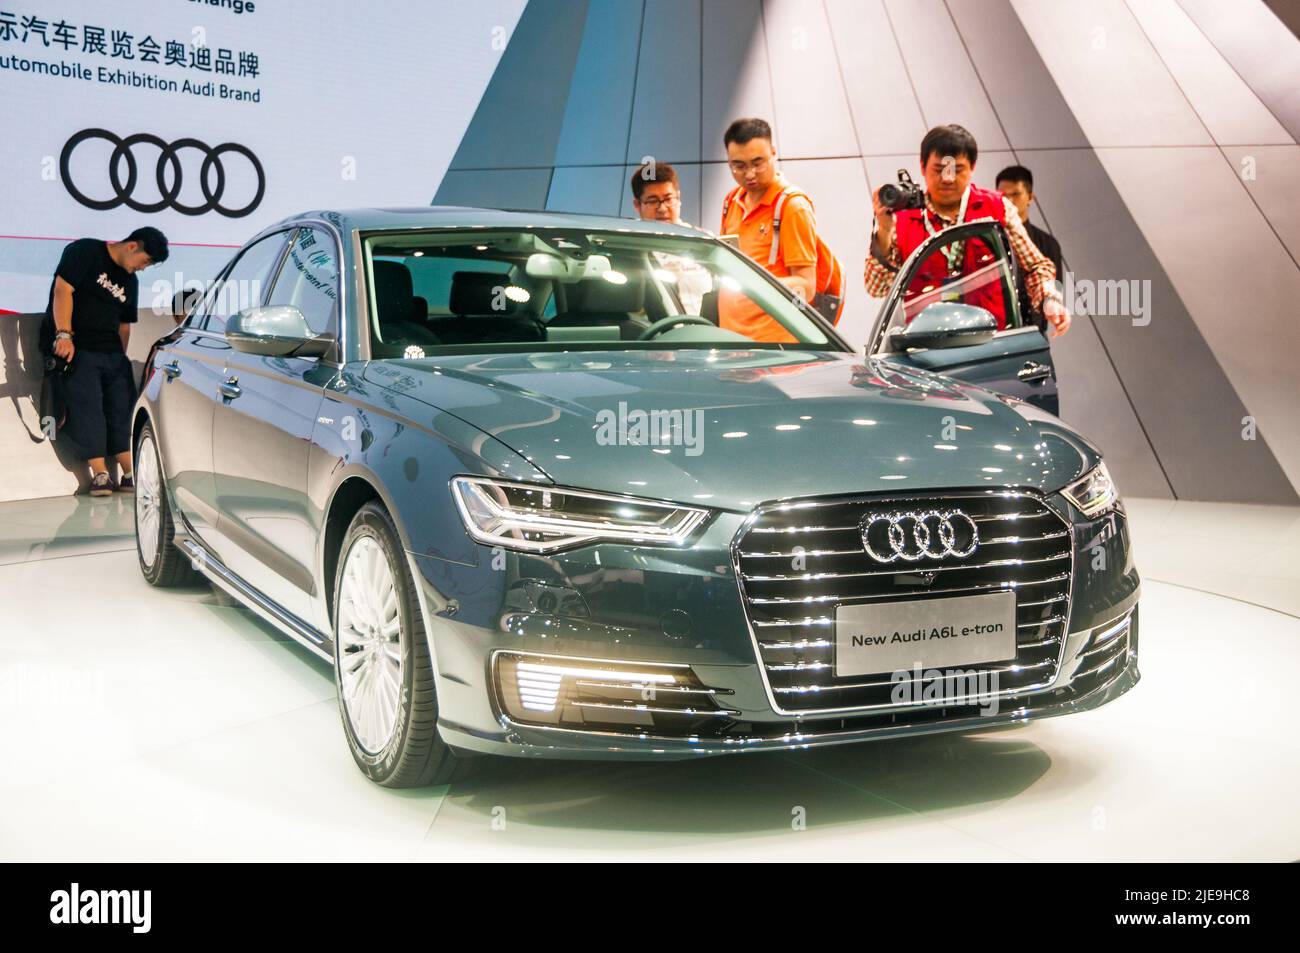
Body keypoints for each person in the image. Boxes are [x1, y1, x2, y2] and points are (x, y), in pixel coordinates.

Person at [864, 124, 1070, 337]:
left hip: (992, 343)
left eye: (958, 169)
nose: (948, 178)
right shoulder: (903, 217)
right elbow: (875, 288)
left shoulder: (997, 208)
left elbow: (1037, 266)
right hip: (923, 349)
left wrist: (1050, 299)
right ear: (922, 167)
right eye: (938, 169)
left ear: (972, 167)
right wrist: (884, 231)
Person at [41, 227, 168, 496]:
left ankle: (130, 472)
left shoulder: (130, 281)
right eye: (145, 261)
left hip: (112, 352)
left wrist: (119, 358)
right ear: (132, 246)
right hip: (78, 347)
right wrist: (64, 335)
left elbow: (124, 325)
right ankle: (99, 473)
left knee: (123, 410)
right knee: (87, 409)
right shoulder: (85, 251)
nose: (143, 268)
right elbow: (62, 291)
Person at [718, 118, 843, 340]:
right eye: (739, 166)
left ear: (773, 153)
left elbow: (806, 287)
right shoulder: (732, 201)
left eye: (758, 163)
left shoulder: (792, 206)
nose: (749, 174)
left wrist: (753, 283)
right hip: (731, 339)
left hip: (775, 346)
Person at [630, 161, 710, 314]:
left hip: (706, 333)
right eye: (653, 201)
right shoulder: (630, 250)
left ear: (678, 198)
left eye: (668, 199)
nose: (662, 208)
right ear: (637, 205)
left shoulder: (703, 241)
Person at [996, 164, 1065, 335]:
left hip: (1033, 330)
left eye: (1016, 194)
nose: (1010, 201)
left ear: (1030, 197)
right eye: (1003, 195)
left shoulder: (1047, 243)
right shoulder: (990, 238)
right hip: (995, 330)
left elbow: (1055, 286)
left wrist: (1050, 306)